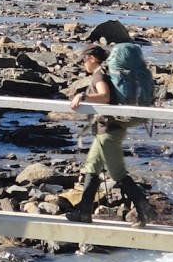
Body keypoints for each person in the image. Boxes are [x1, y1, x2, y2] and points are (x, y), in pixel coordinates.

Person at [66, 44, 154, 225]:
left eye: (84, 60)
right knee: (92, 167)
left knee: (117, 173)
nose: (83, 65)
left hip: (108, 129)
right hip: (111, 126)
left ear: (92, 58)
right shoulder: (107, 72)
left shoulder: (99, 73)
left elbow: (104, 96)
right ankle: (83, 212)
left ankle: (146, 209)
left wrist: (82, 96)